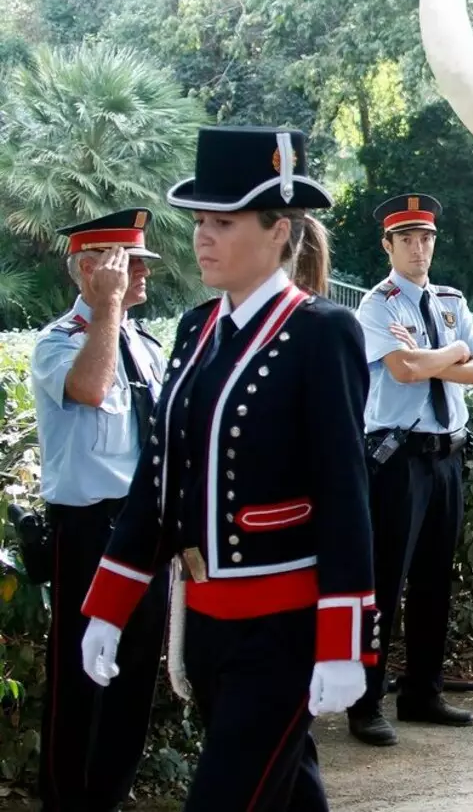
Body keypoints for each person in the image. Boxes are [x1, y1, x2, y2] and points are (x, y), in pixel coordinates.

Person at [77, 125, 379, 811]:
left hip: (283, 633)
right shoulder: (194, 327)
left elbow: (344, 494)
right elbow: (158, 479)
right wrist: (109, 605)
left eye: (223, 221)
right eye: (200, 221)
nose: (202, 237)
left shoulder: (322, 333)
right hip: (209, 627)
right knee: (288, 794)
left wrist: (343, 640)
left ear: (279, 231)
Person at [30, 209, 169, 812]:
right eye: (127, 264)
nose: (141, 275)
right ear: (88, 269)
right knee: (79, 678)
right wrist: (106, 308)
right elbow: (89, 388)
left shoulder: (144, 343)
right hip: (89, 533)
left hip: (145, 526)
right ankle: (67, 801)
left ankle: (108, 796)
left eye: (140, 263)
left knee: (135, 673)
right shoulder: (58, 342)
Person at [346, 192, 473, 746]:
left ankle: (422, 693)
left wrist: (444, 352)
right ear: (388, 245)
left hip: (446, 457)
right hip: (397, 460)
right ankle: (365, 703)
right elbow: (403, 370)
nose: (418, 247)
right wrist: (455, 354)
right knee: (384, 582)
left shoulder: (452, 300)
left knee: (435, 580)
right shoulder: (377, 305)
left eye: (426, 237)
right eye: (407, 238)